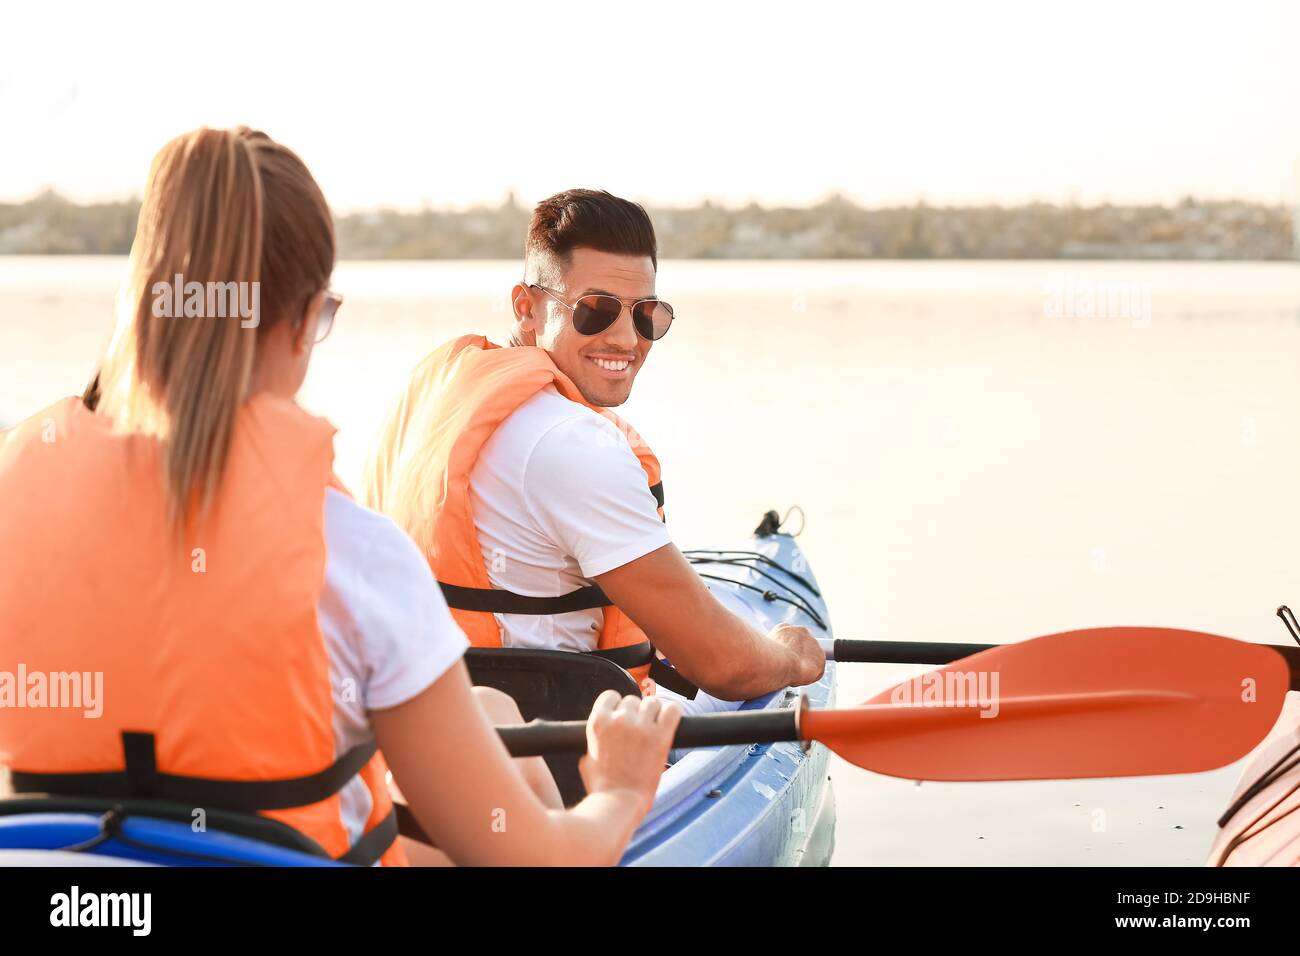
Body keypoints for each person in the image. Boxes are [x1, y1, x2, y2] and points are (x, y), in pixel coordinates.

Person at [0, 129, 678, 867]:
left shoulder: (16, 489)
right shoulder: (351, 552)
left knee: (486, 709)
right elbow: (540, 859)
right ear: (299, 321)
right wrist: (619, 787)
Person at [364, 189, 825, 711]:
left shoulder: (437, 397)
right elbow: (723, 665)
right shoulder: (572, 443)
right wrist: (793, 658)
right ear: (527, 308)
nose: (627, 339)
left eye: (647, 314)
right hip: (549, 754)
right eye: (596, 311)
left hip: (430, 732)